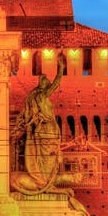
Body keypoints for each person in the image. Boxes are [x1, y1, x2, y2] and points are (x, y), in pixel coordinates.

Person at [10, 53, 65, 192]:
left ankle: (42, 181)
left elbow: (27, 115)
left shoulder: (32, 97)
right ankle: (44, 183)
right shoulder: (41, 95)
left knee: (44, 158)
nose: (48, 82)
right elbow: (57, 83)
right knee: (48, 158)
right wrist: (61, 69)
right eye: (46, 81)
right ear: (43, 85)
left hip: (39, 130)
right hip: (47, 129)